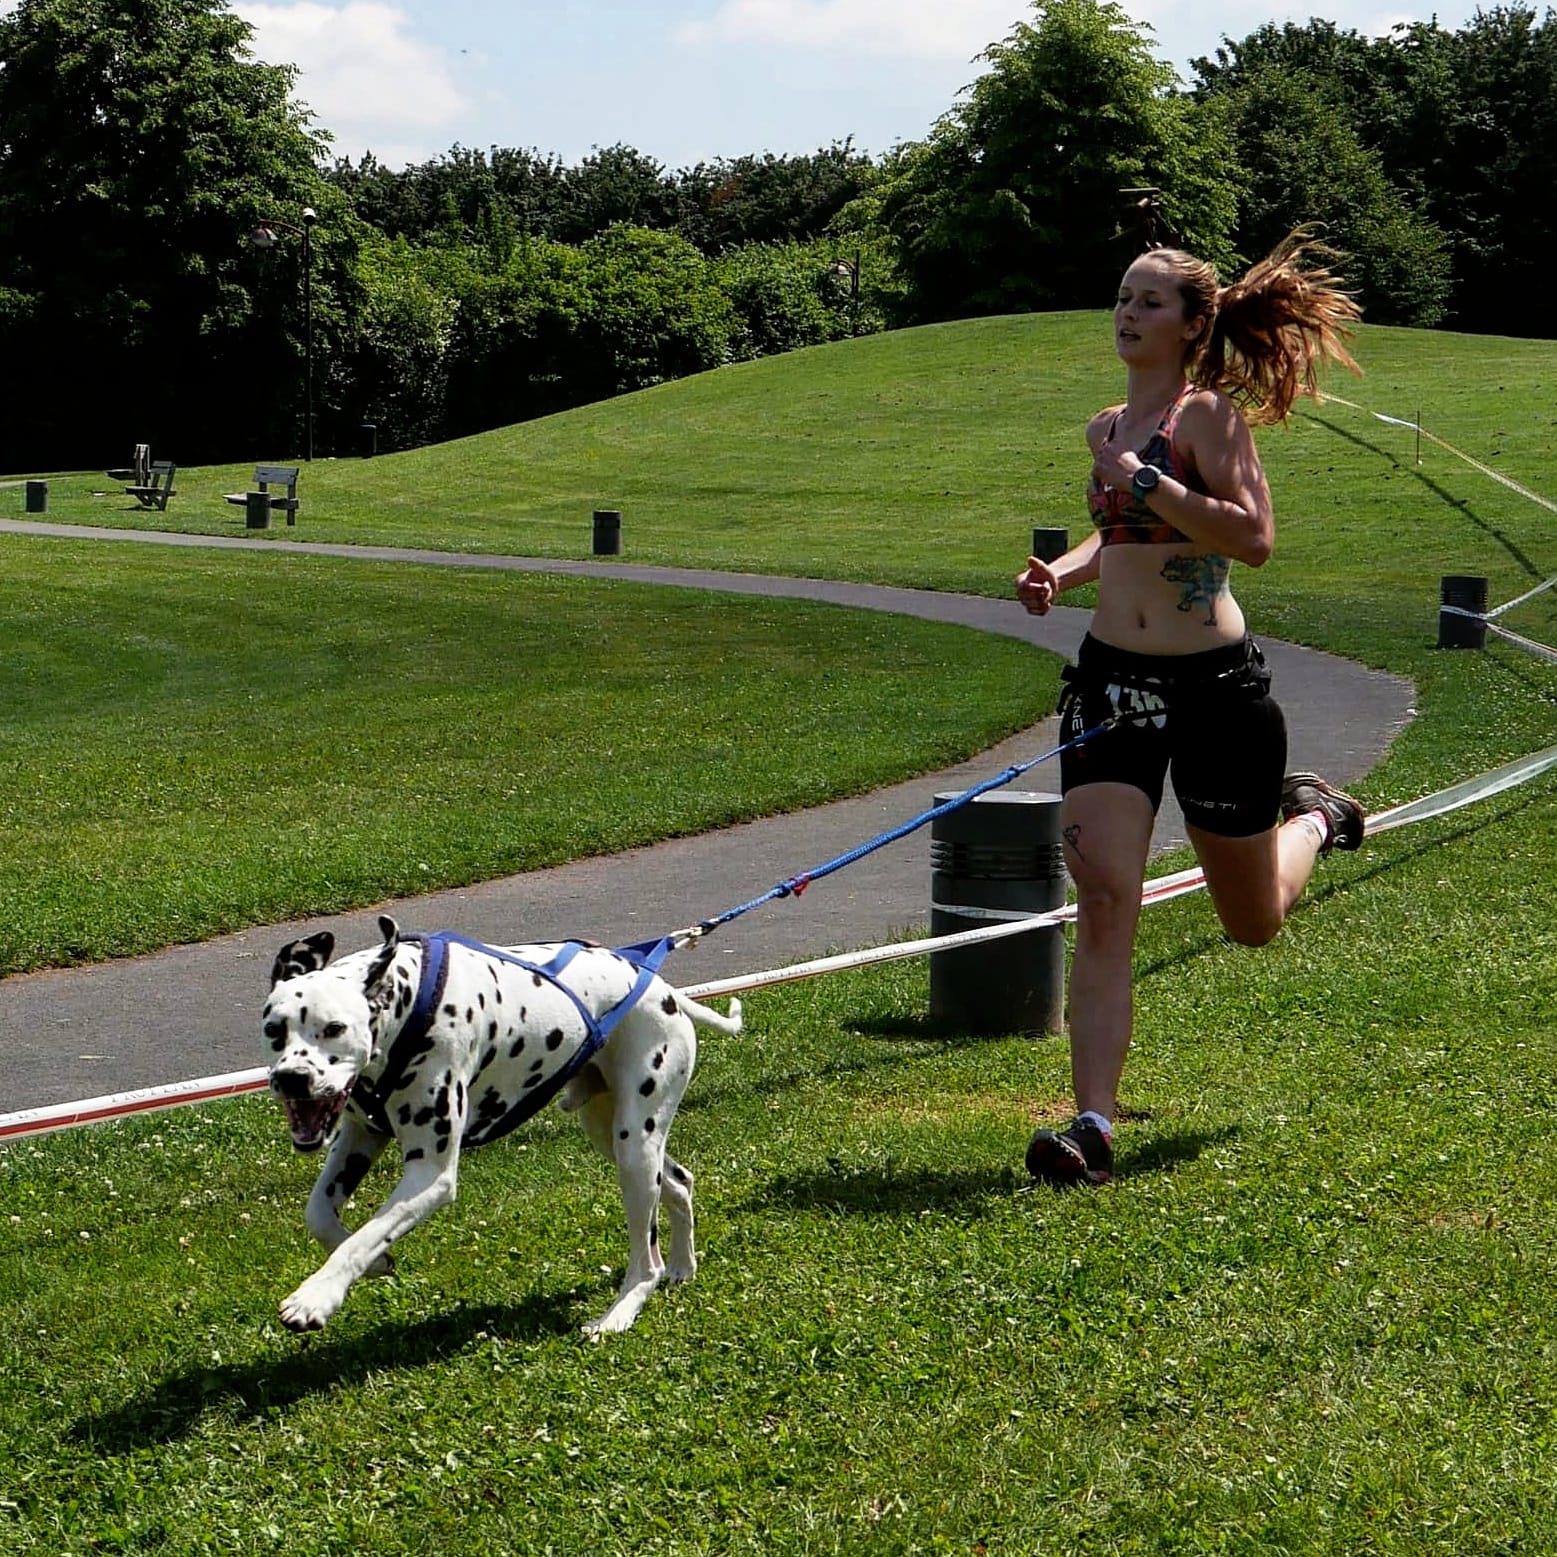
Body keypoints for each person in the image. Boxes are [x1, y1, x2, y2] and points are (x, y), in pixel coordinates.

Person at [1014, 232, 1366, 1188]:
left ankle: (1316, 817)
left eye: (1149, 302)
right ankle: (1090, 1125)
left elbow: (1251, 538)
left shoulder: (1207, 418)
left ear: (1193, 322)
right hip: (1109, 684)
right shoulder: (1105, 422)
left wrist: (1142, 476)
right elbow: (1118, 534)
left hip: (1215, 692)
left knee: (1250, 921)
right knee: (1103, 896)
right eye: (1121, 297)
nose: (1127, 314)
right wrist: (1063, 571)